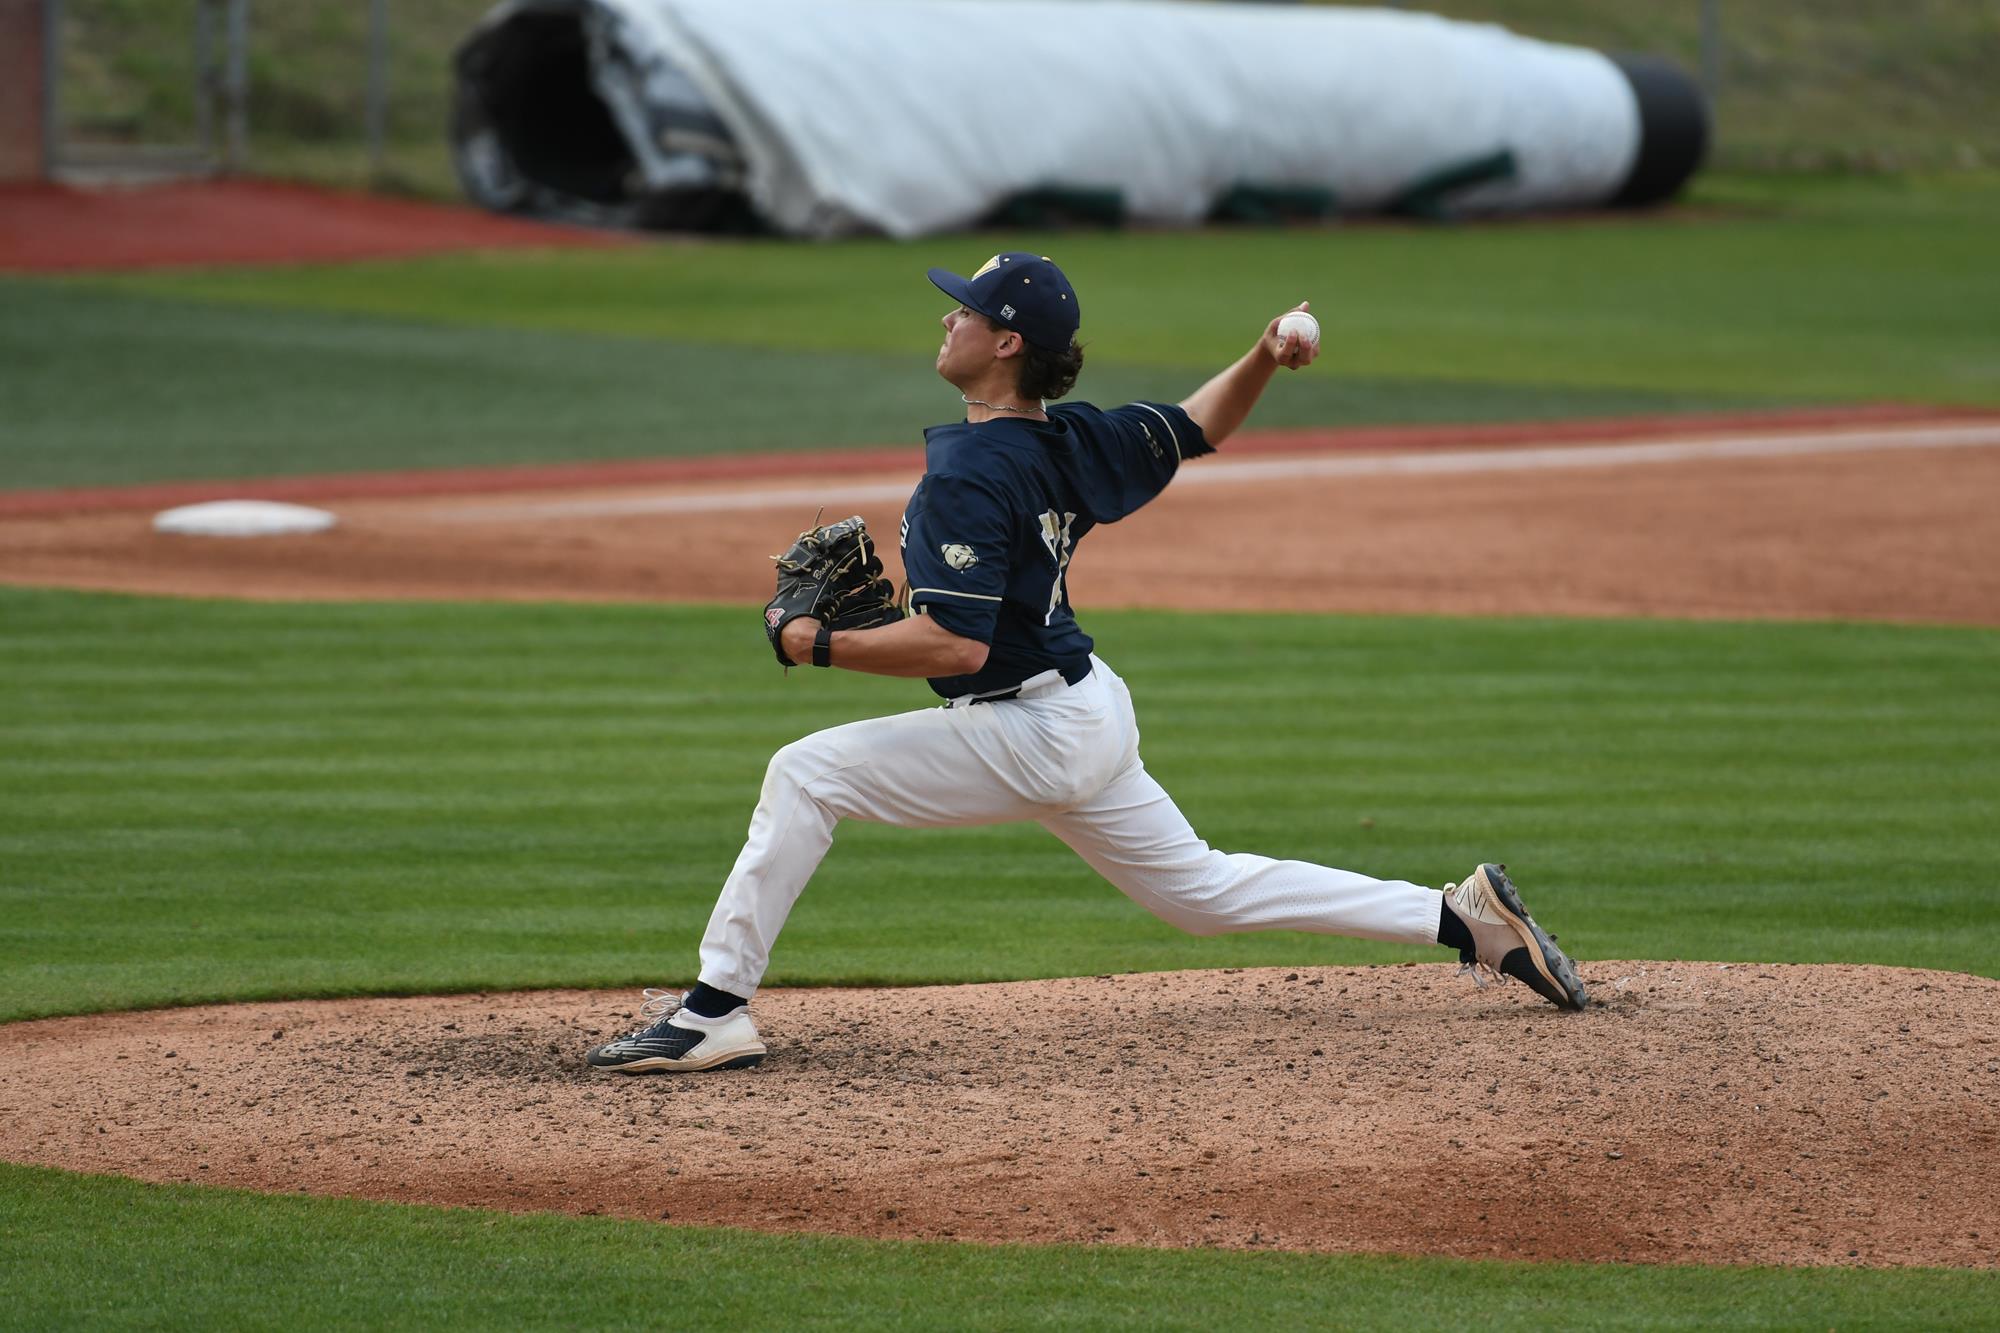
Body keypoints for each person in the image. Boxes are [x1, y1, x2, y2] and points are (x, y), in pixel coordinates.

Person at [586, 252, 1586, 1074]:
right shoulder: (1072, 440)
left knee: (805, 772)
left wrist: (817, 644)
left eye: (965, 312)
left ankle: (715, 1007)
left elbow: (954, 644)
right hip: (1085, 711)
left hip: (1026, 728)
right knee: (1200, 893)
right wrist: (1262, 354)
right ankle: (1464, 922)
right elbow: (1199, 425)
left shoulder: (965, 480)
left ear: (1005, 343)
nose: (948, 323)